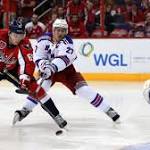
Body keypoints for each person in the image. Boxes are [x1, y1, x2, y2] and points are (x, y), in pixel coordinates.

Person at [14, 19, 120, 124]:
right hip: (48, 71)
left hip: (67, 72)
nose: (60, 33)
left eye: (63, 30)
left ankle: (108, 110)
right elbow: (37, 56)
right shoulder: (43, 40)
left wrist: (51, 68)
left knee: (83, 90)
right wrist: (43, 65)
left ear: (66, 32)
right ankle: (25, 110)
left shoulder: (68, 42)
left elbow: (63, 59)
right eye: (58, 30)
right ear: (53, 30)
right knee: (39, 89)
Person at [0, 19, 67, 129]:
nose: (18, 38)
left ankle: (56, 115)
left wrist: (24, 80)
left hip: (13, 68)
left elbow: (28, 63)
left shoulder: (24, 42)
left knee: (36, 89)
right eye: (15, 35)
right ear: (9, 33)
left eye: (21, 35)